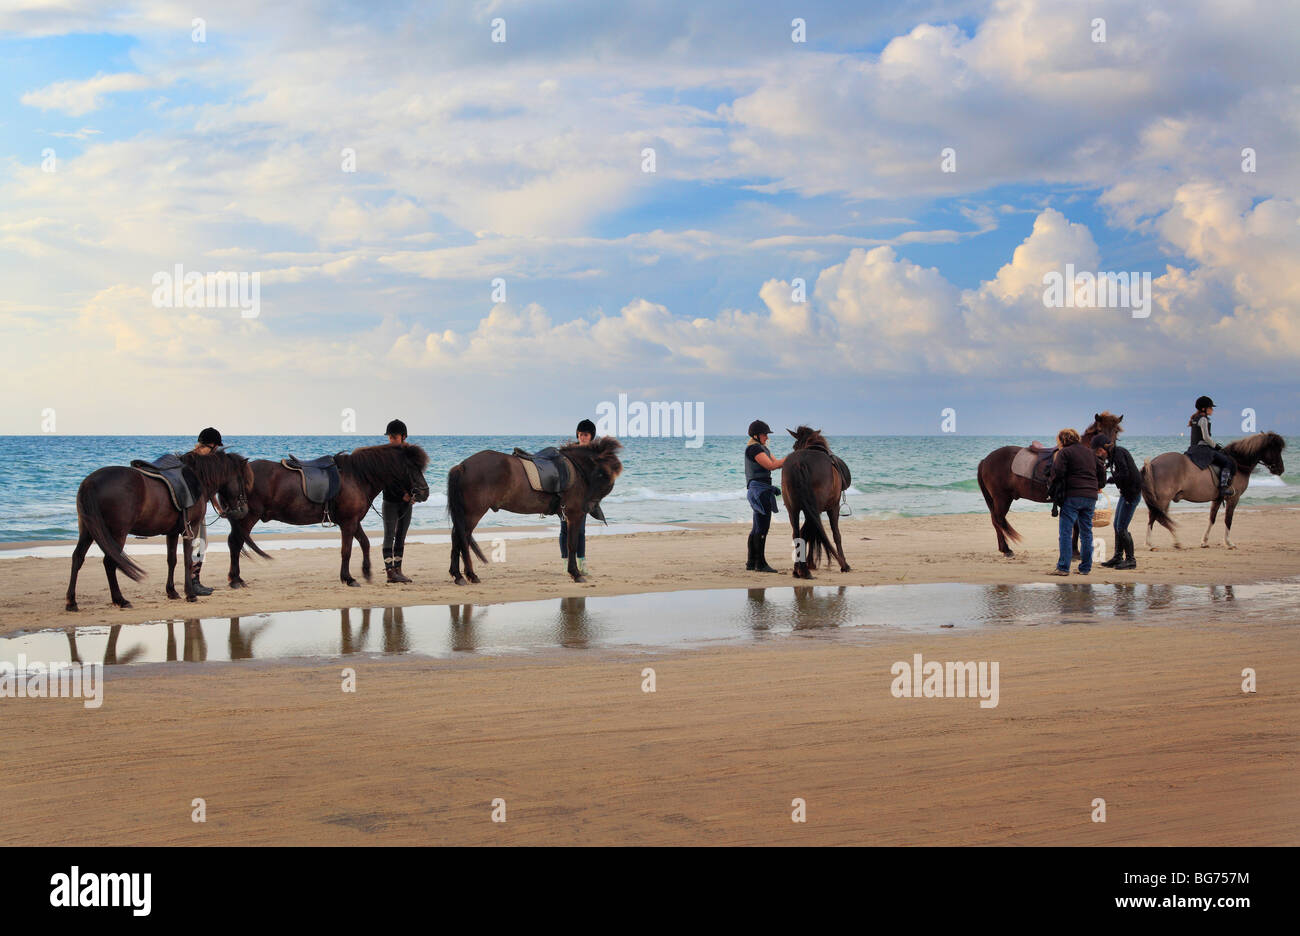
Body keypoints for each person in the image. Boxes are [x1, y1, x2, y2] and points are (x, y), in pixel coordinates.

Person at [1048, 433, 1109, 576]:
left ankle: (1063, 568)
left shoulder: (1064, 453)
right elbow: (1102, 472)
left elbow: (1058, 472)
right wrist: (1097, 485)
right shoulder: (1090, 453)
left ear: (1063, 440)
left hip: (1072, 496)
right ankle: (1085, 568)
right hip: (1090, 497)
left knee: (1065, 532)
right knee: (1086, 533)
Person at [745, 420, 785, 573]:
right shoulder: (754, 449)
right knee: (762, 527)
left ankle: (751, 562)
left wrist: (790, 460)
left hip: (761, 490)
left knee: (757, 526)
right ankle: (760, 564)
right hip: (759, 492)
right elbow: (771, 466)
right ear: (756, 435)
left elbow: (777, 462)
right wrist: (792, 457)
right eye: (764, 434)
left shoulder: (763, 449)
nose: (767, 437)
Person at [188, 427, 224, 596]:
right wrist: (218, 507)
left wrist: (217, 507)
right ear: (211, 445)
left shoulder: (188, 457)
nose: (215, 451)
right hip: (194, 510)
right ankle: (194, 582)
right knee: (200, 543)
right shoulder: (201, 462)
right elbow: (206, 488)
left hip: (184, 509)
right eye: (215, 447)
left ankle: (191, 580)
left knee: (198, 544)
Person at [559, 419, 596, 574]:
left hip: (582, 499)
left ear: (591, 436)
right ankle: (565, 562)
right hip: (565, 497)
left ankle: (582, 563)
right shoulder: (569, 452)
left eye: (586, 434)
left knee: (580, 531)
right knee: (564, 530)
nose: (583, 437)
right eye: (580, 434)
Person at [1099, 438, 1141, 570]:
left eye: (1099, 451)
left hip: (1131, 494)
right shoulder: (1114, 455)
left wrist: (1110, 480)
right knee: (1117, 525)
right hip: (1126, 493)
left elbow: (1125, 473)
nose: (1099, 454)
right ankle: (1118, 557)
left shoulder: (1118, 453)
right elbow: (1121, 473)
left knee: (1121, 527)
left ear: (1104, 448)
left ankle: (1130, 560)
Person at [1185, 395, 1236, 503]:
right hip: (1203, 449)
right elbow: (1206, 437)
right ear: (1204, 408)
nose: (1212, 410)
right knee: (1228, 462)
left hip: (1193, 448)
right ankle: (1223, 488)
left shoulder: (1195, 418)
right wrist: (1216, 446)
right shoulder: (1203, 419)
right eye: (1210, 407)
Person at [382, 419, 415, 584]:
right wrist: (403, 494)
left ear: (403, 437)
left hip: (407, 503)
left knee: (401, 535)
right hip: (390, 501)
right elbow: (387, 480)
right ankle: (390, 572)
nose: (391, 440)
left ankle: (398, 570)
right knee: (389, 535)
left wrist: (414, 495)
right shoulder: (385, 456)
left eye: (394, 437)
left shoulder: (410, 455)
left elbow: (414, 477)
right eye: (389, 437)